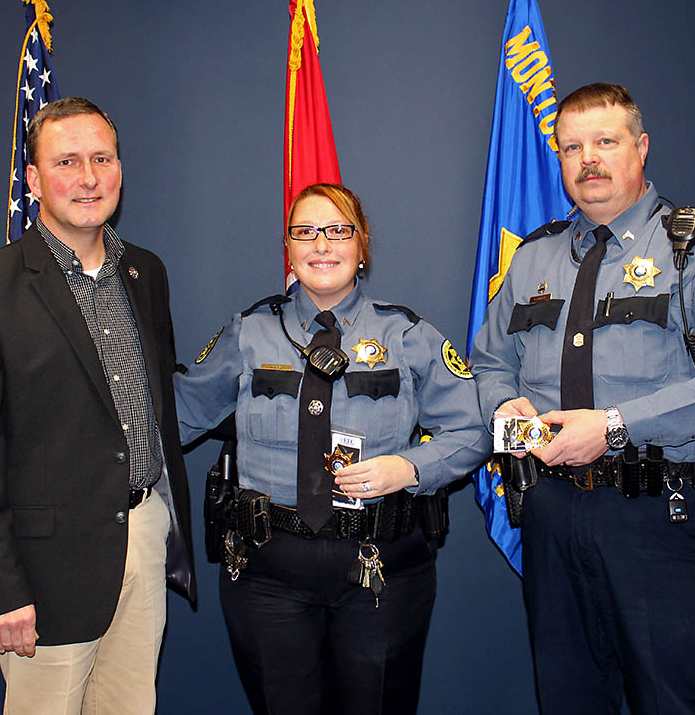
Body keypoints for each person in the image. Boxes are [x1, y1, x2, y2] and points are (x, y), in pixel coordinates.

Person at [471, 83, 695, 714]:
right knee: (568, 698)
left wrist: (611, 426)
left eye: (605, 142)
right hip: (552, 511)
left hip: (661, 515)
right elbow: (490, 360)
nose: (588, 160)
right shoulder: (533, 258)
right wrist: (502, 406)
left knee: (671, 702)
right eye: (571, 146)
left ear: (641, 148)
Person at [173, 183, 488, 714]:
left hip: (379, 571)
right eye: (305, 232)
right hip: (267, 574)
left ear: (361, 247)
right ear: (288, 252)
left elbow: (475, 429)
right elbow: (174, 416)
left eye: (338, 230)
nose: (322, 244)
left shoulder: (407, 333)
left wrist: (409, 467)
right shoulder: (248, 333)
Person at [0, 97, 196, 714]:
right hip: (43, 567)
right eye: (67, 161)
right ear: (33, 179)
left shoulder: (145, 273)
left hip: (144, 533)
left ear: (120, 169)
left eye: (102, 158)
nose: (88, 178)